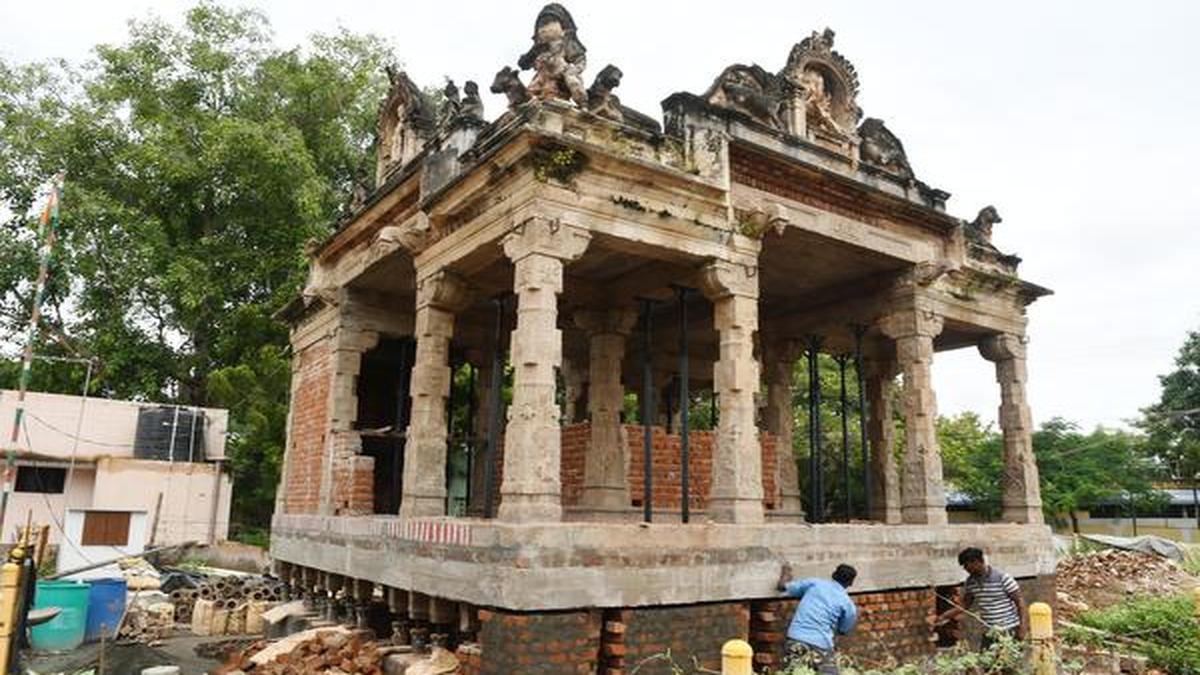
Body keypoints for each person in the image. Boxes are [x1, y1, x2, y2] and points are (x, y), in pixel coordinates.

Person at [936, 547, 1027, 649]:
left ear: (979, 561)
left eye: (967, 566)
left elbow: (1020, 602)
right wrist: (944, 616)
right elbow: (965, 605)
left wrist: (1022, 627)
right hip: (990, 631)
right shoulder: (971, 582)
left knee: (1010, 661)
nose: (966, 570)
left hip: (1009, 629)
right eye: (964, 567)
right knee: (986, 661)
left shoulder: (1003, 578)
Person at [777, 562, 858, 675]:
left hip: (795, 639)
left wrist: (786, 574)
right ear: (851, 583)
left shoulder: (814, 584)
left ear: (833, 574)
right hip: (821, 645)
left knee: (793, 671)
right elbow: (844, 629)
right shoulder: (847, 604)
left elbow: (782, 587)